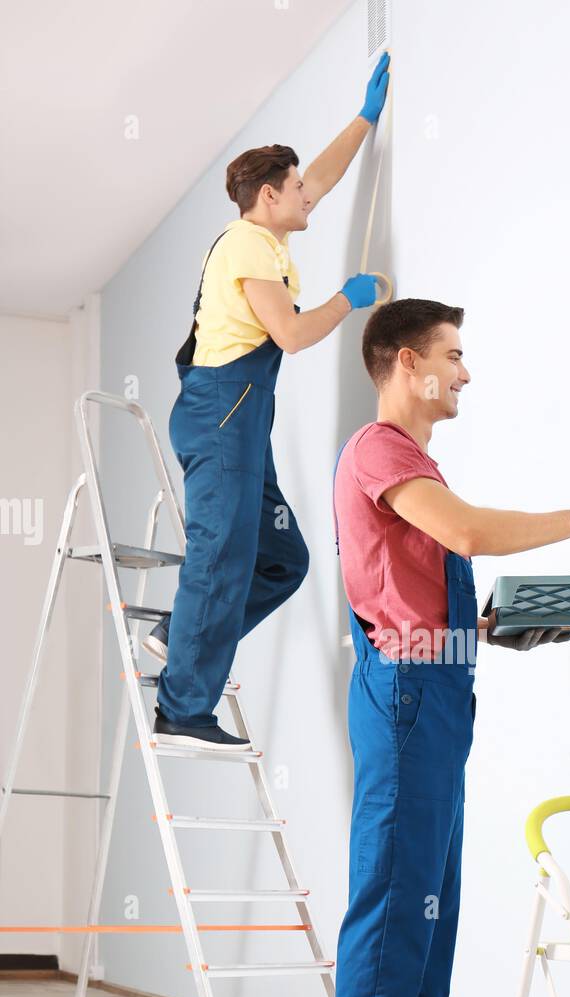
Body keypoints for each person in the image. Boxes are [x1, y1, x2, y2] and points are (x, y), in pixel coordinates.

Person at [322, 297, 570, 997]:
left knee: (433, 898)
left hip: (439, 686)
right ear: (402, 363)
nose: (465, 373)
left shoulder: (415, 465)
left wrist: (495, 625)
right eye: (452, 355)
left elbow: (418, 587)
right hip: (405, 700)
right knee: (395, 897)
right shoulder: (380, 450)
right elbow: (465, 532)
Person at [144, 54, 392, 750]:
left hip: (243, 424)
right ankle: (184, 708)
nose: (306, 196)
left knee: (282, 560)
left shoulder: (269, 232)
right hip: (220, 415)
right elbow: (289, 332)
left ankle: (179, 634)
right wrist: (350, 298)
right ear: (266, 197)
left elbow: (324, 174)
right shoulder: (247, 248)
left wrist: (366, 118)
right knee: (219, 555)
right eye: (295, 190)